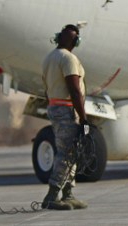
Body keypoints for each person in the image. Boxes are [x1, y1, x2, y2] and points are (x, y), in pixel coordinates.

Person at [41, 24, 90, 210]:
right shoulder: (68, 59)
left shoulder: (49, 58)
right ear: (76, 41)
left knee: (72, 151)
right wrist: (84, 118)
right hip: (67, 110)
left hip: (55, 107)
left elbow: (46, 88)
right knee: (67, 153)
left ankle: (68, 194)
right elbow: (74, 90)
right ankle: (52, 196)